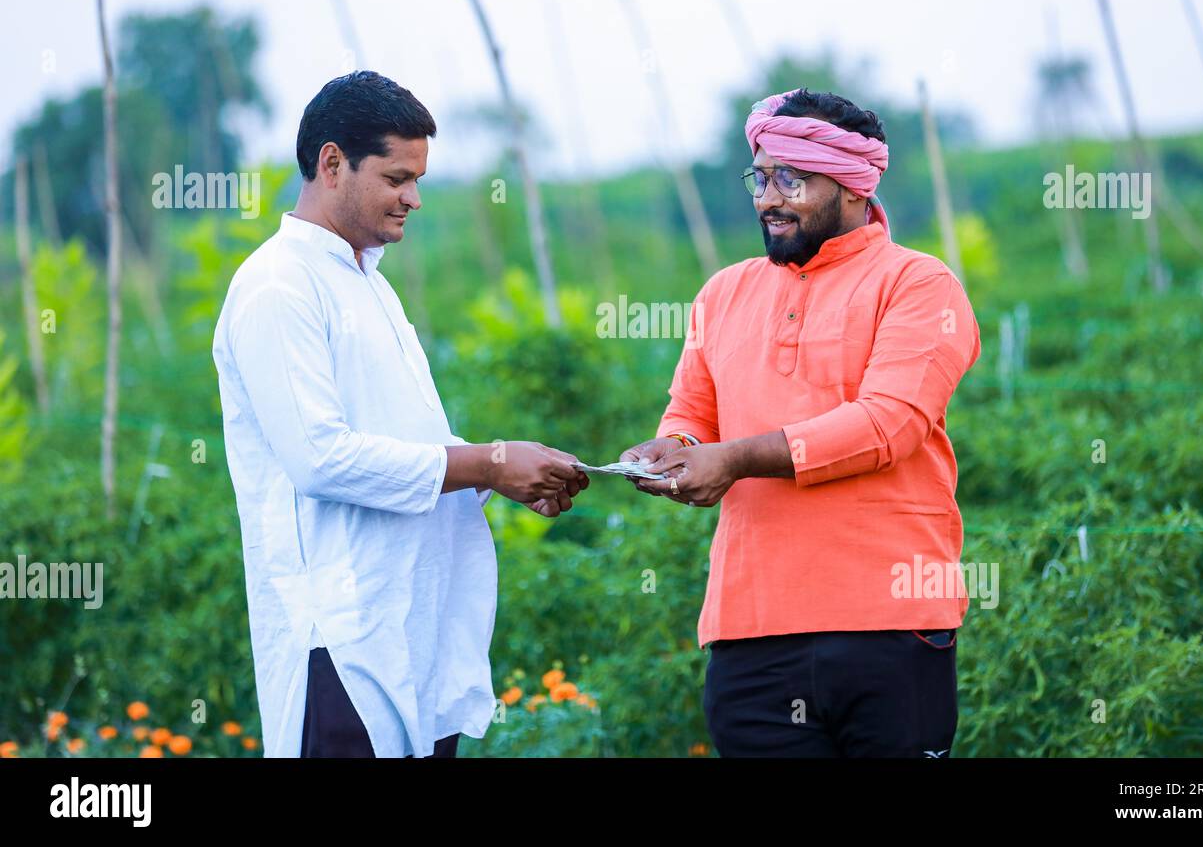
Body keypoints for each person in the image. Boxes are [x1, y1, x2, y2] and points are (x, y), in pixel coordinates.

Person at [213, 71, 588, 758]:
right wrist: (492, 462)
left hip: (411, 627)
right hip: (340, 638)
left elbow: (412, 444)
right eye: (396, 178)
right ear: (332, 163)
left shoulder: (368, 282)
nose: (413, 198)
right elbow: (319, 459)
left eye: (417, 180)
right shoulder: (278, 286)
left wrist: (506, 468)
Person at [620, 88, 981, 757]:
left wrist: (732, 460)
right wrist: (675, 452)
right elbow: (692, 416)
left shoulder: (919, 285)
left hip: (891, 627)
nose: (769, 197)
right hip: (750, 632)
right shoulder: (725, 292)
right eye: (760, 176)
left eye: (793, 179)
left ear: (851, 186)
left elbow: (887, 426)